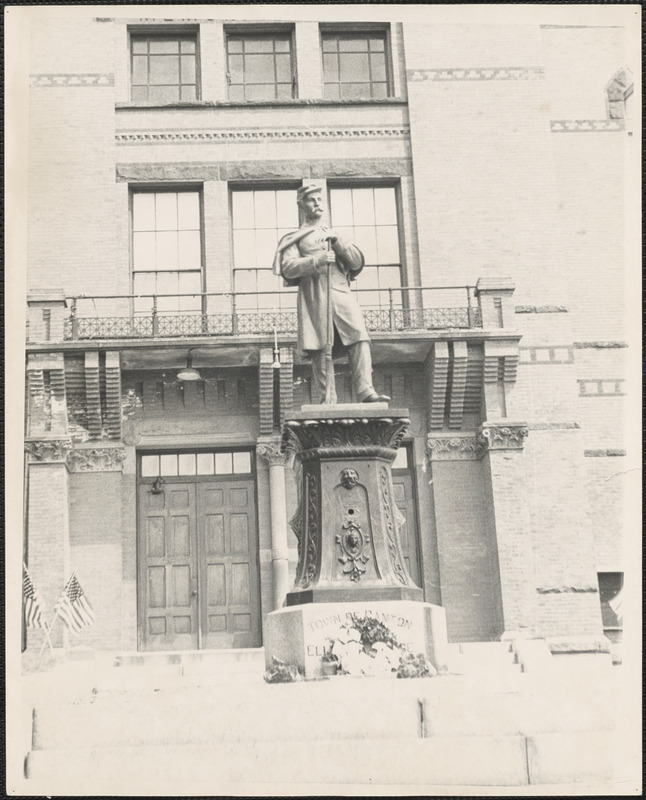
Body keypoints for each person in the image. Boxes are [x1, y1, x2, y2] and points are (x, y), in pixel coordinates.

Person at [273, 184, 390, 404]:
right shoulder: (295, 238)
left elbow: (356, 262)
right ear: (302, 205)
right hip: (315, 297)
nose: (317, 203)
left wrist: (337, 243)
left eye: (319, 199)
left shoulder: (335, 234)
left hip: (341, 293)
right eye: (311, 200)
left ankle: (366, 391)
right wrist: (315, 261)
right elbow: (288, 267)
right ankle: (327, 398)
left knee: (359, 337)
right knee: (319, 346)